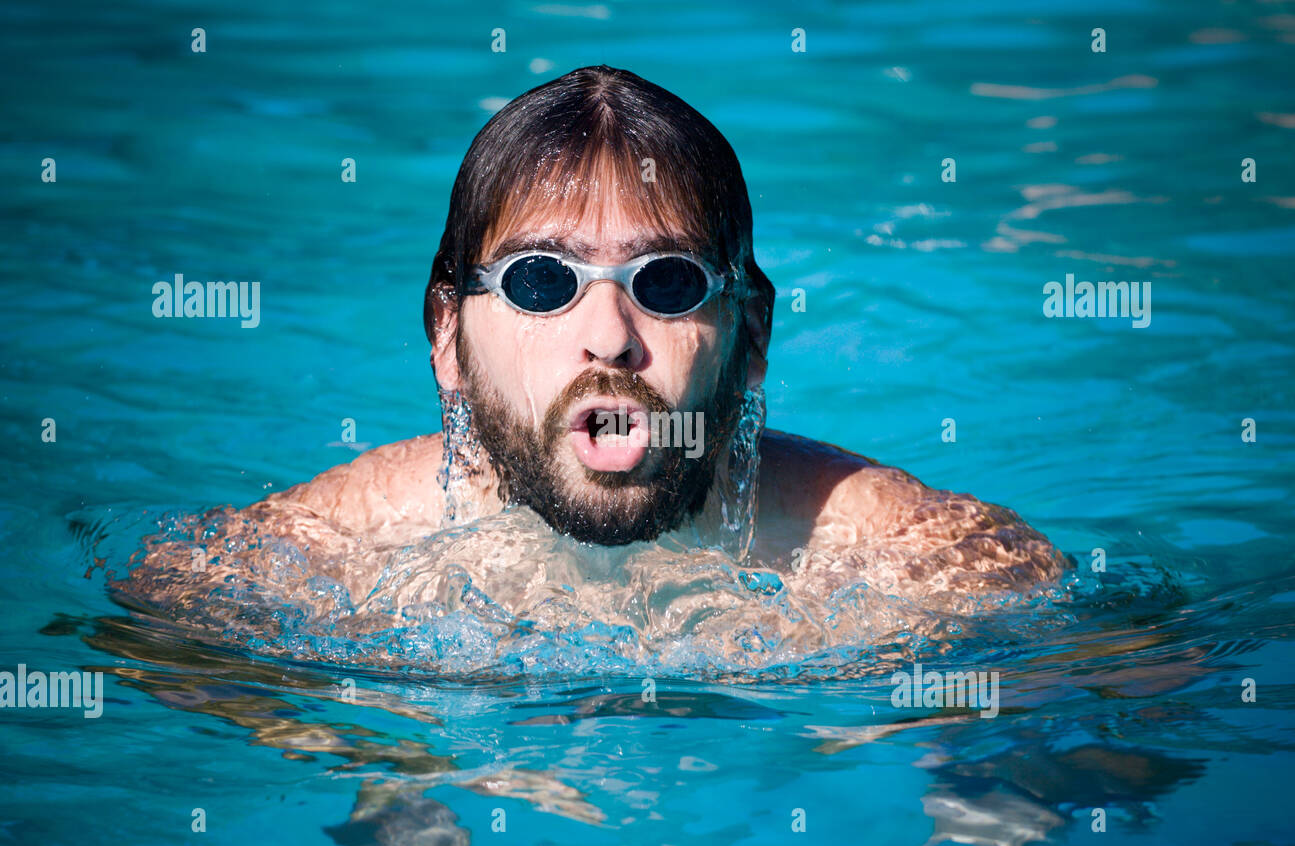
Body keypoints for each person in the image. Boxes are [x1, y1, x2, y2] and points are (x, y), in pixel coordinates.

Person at [219, 65, 1073, 608]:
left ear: (753, 336)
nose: (608, 338)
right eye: (540, 281)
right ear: (447, 336)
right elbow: (163, 660)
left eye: (665, 282)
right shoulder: (327, 550)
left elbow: (1109, 696)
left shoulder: (905, 557)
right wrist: (384, 768)